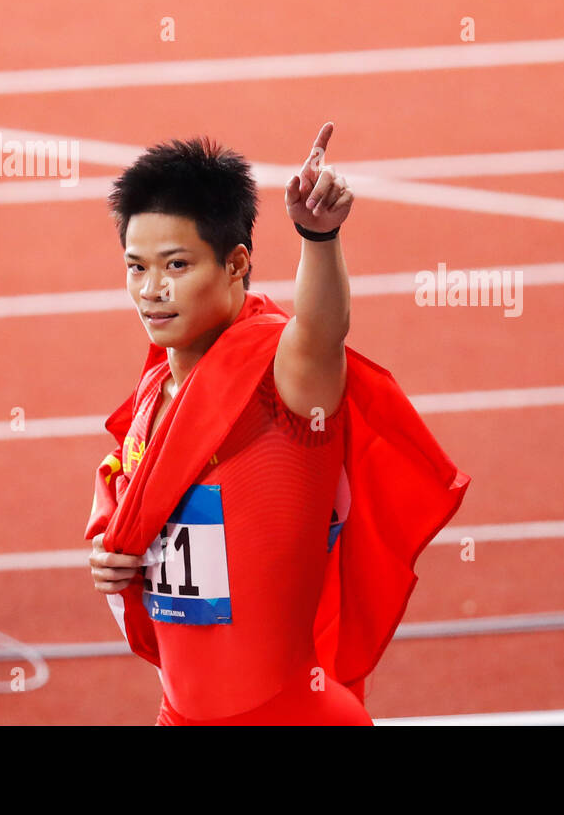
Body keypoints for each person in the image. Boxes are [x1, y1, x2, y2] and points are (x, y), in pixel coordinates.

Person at [84, 123, 469, 725]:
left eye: (176, 265)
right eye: (136, 268)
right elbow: (131, 506)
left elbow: (320, 334)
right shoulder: (153, 394)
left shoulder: (279, 387)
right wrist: (115, 559)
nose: (151, 291)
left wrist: (320, 237)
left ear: (236, 263)